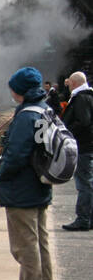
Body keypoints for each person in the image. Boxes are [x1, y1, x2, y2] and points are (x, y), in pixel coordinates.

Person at [0, 67, 54, 280]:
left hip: (22, 188)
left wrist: (2, 175)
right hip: (40, 184)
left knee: (25, 245)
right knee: (40, 243)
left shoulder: (25, 117)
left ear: (19, 90)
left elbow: (16, 155)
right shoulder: (45, 110)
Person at [61, 70, 93, 231]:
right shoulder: (88, 96)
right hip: (88, 145)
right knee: (88, 183)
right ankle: (89, 218)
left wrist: (66, 133)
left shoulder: (80, 98)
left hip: (83, 147)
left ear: (73, 84)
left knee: (84, 184)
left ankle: (83, 219)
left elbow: (83, 121)